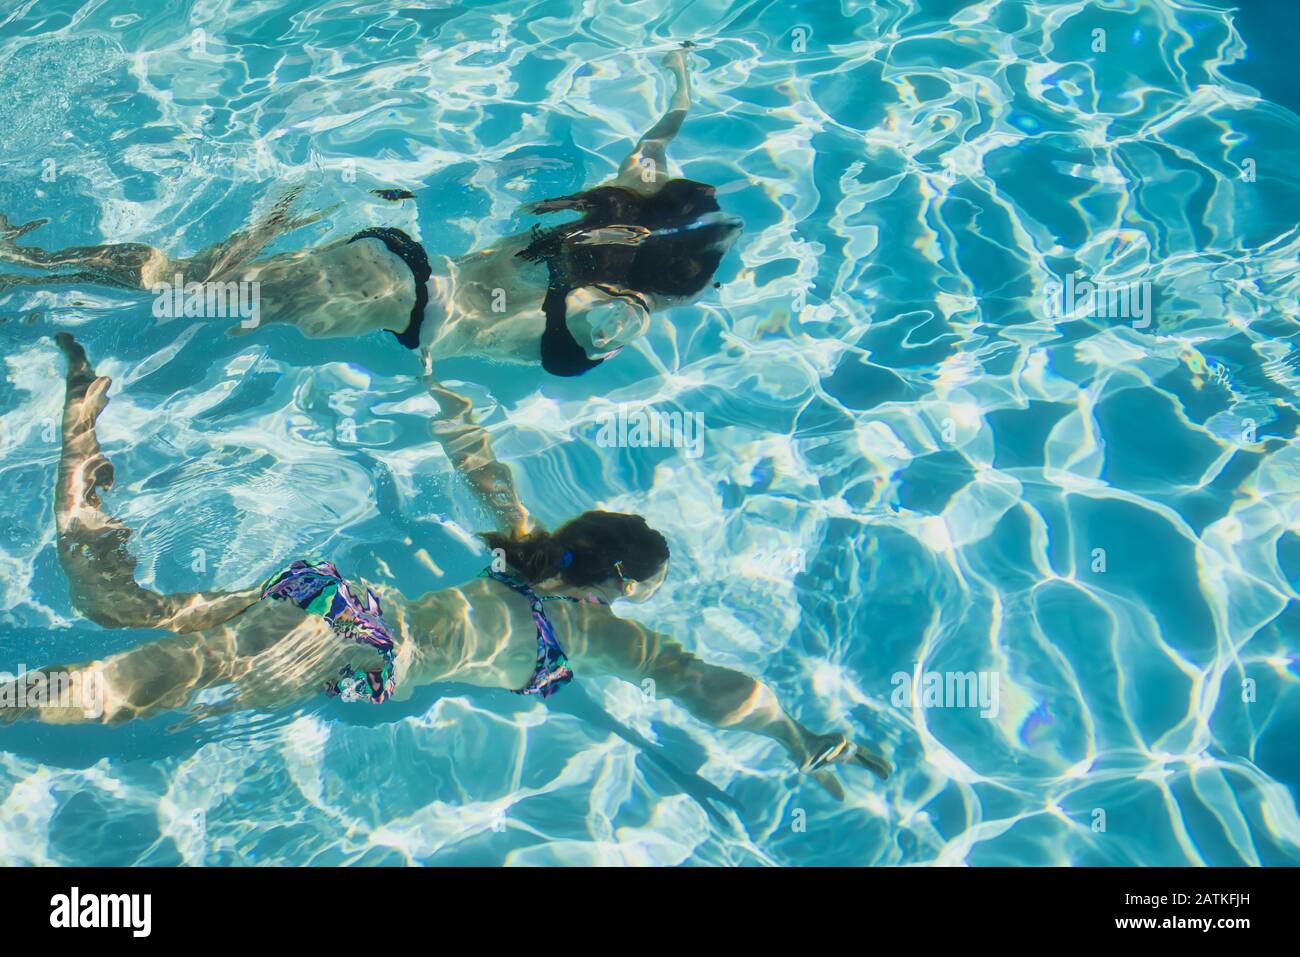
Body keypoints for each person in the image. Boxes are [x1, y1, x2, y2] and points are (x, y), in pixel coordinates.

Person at [10, 334, 890, 802]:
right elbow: (702, 684)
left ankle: (80, 427)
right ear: (614, 585)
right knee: (121, 687)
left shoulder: (525, 546)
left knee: (118, 604)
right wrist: (798, 738)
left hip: (333, 598)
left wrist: (442, 383)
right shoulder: (597, 631)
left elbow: (480, 463)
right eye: (640, 591)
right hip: (348, 644)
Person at [0, 46, 741, 379]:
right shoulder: (621, 314)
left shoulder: (606, 220)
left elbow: (650, 152)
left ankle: (35, 267)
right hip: (392, 301)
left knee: (192, 281)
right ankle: (29, 273)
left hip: (396, 263)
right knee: (191, 291)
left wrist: (680, 86)